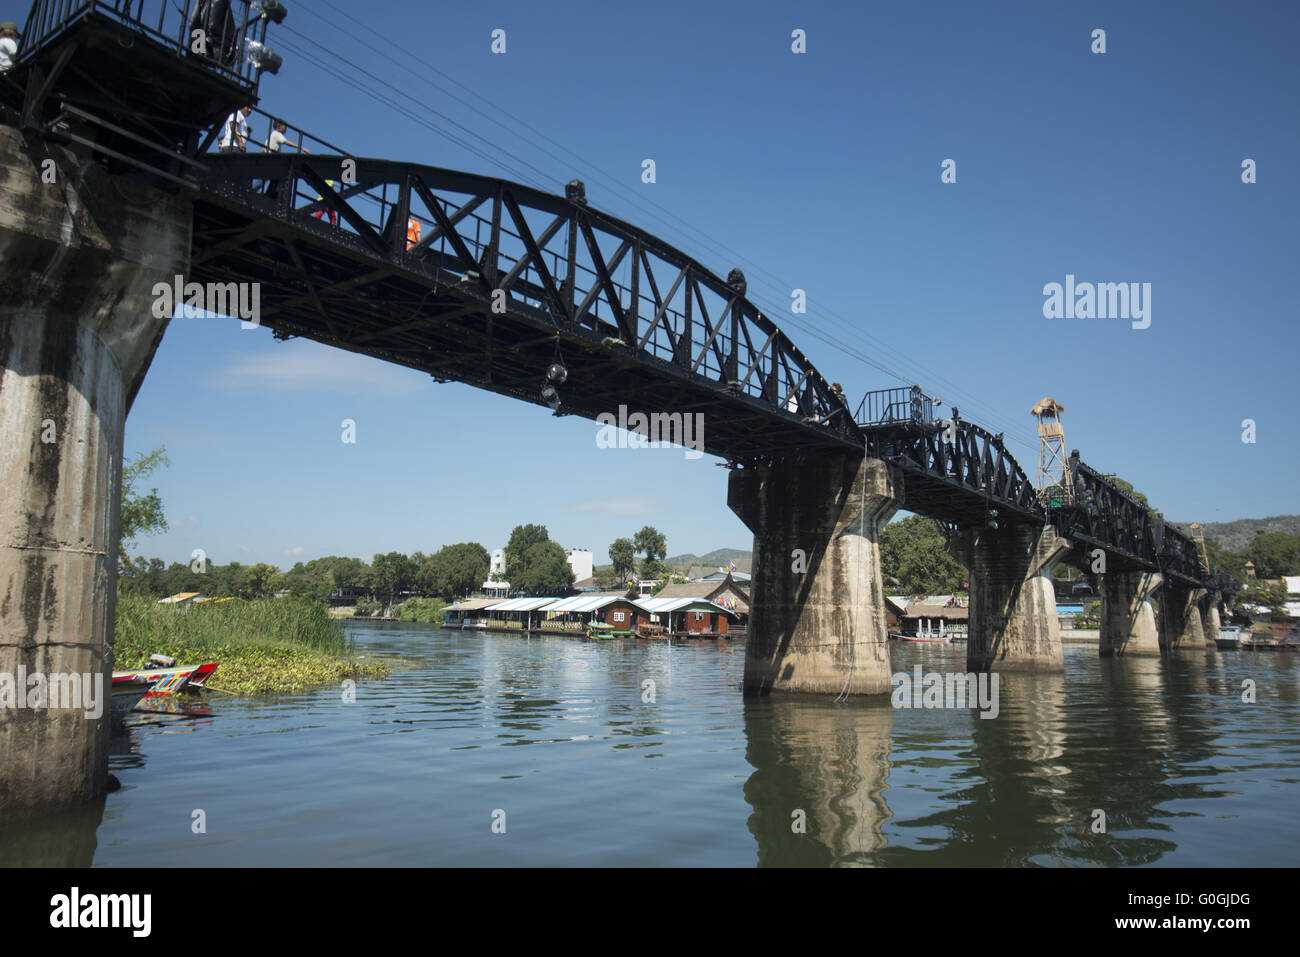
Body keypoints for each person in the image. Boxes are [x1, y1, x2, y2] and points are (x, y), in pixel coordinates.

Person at [264, 118, 308, 198]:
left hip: (268, 158)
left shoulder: (272, 134)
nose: (286, 129)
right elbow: (287, 142)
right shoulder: (277, 134)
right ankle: (271, 196)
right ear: (279, 125)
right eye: (285, 127)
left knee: (274, 178)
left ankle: (269, 194)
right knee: (280, 176)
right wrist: (302, 148)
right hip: (272, 159)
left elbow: (264, 148)